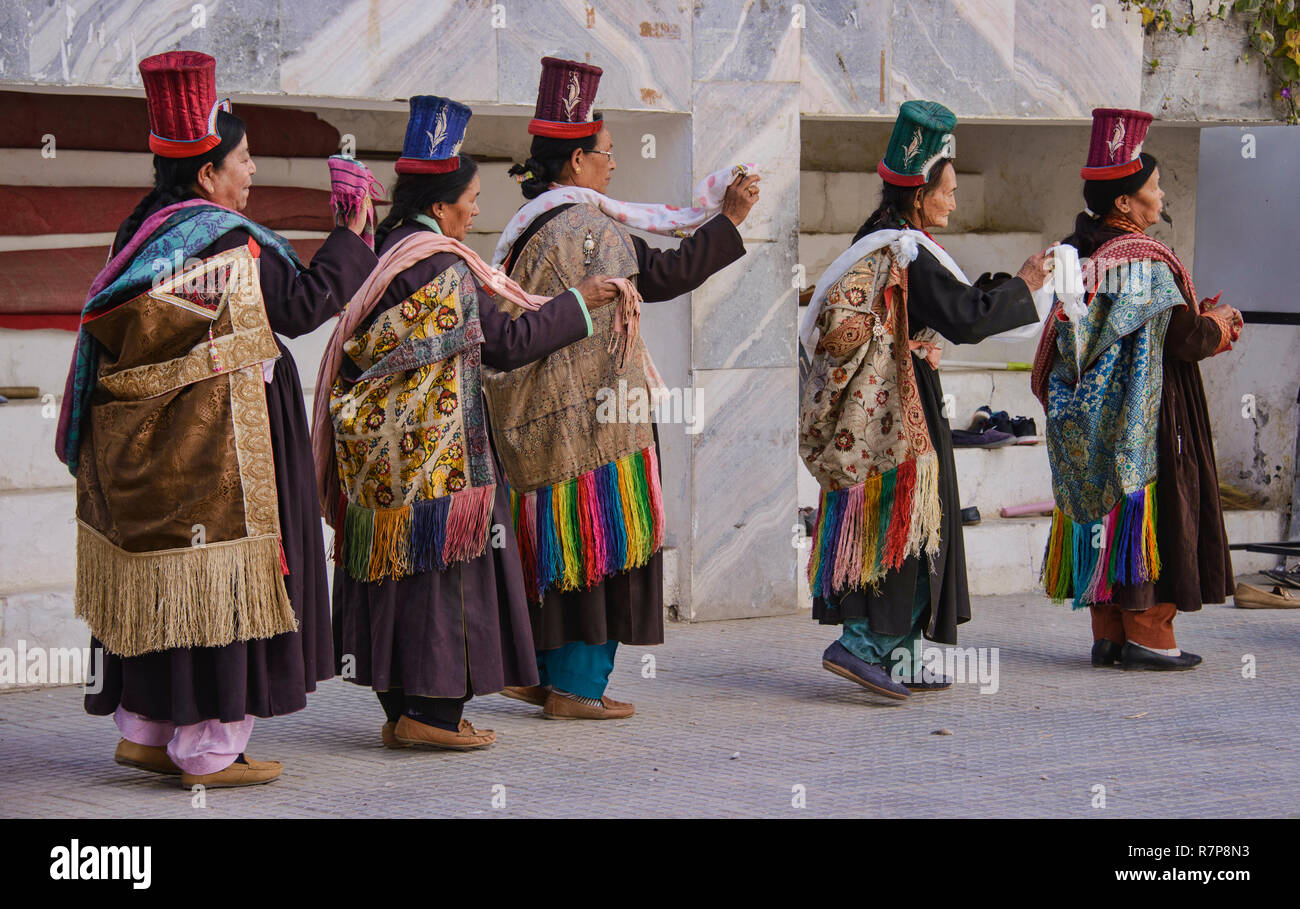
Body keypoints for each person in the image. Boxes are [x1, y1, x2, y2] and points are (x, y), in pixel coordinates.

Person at [59, 51, 378, 787]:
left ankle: (145, 728)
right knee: (224, 586)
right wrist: (353, 236)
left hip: (150, 452)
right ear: (207, 174)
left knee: (166, 583)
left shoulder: (137, 234)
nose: (253, 171)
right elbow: (298, 308)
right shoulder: (226, 241)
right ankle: (208, 746)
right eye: (243, 158)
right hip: (223, 447)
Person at [314, 96, 621, 749]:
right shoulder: (442, 266)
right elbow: (508, 340)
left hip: (376, 457)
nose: (478, 209)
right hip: (440, 458)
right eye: (474, 197)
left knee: (391, 575)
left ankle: (400, 707)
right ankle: (433, 715)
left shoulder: (387, 250)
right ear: (445, 201)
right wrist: (581, 303)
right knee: (441, 580)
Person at [488, 57, 759, 719]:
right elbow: (661, 276)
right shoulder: (588, 229)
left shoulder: (531, 228)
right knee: (598, 543)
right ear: (577, 161)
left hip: (545, 421)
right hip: (594, 426)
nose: (613, 166)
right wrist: (729, 220)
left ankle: (543, 672)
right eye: (606, 155)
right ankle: (578, 688)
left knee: (556, 545)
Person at [799, 100, 1052, 700]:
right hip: (896, 416)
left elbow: (931, 312)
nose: (955, 201)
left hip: (893, 402)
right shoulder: (905, 251)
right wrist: (1027, 284)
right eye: (949, 189)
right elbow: (966, 317)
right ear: (919, 194)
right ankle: (862, 646)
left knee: (919, 523)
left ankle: (903, 652)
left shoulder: (877, 243)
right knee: (906, 521)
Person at [1033, 107, 1242, 671]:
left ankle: (1109, 634)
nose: (1162, 194)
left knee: (1104, 511)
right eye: (1153, 187)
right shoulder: (1144, 265)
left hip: (1089, 417)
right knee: (1156, 507)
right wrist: (1221, 324)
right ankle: (1150, 634)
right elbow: (1184, 337)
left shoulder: (1077, 253)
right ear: (1124, 203)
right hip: (1146, 414)